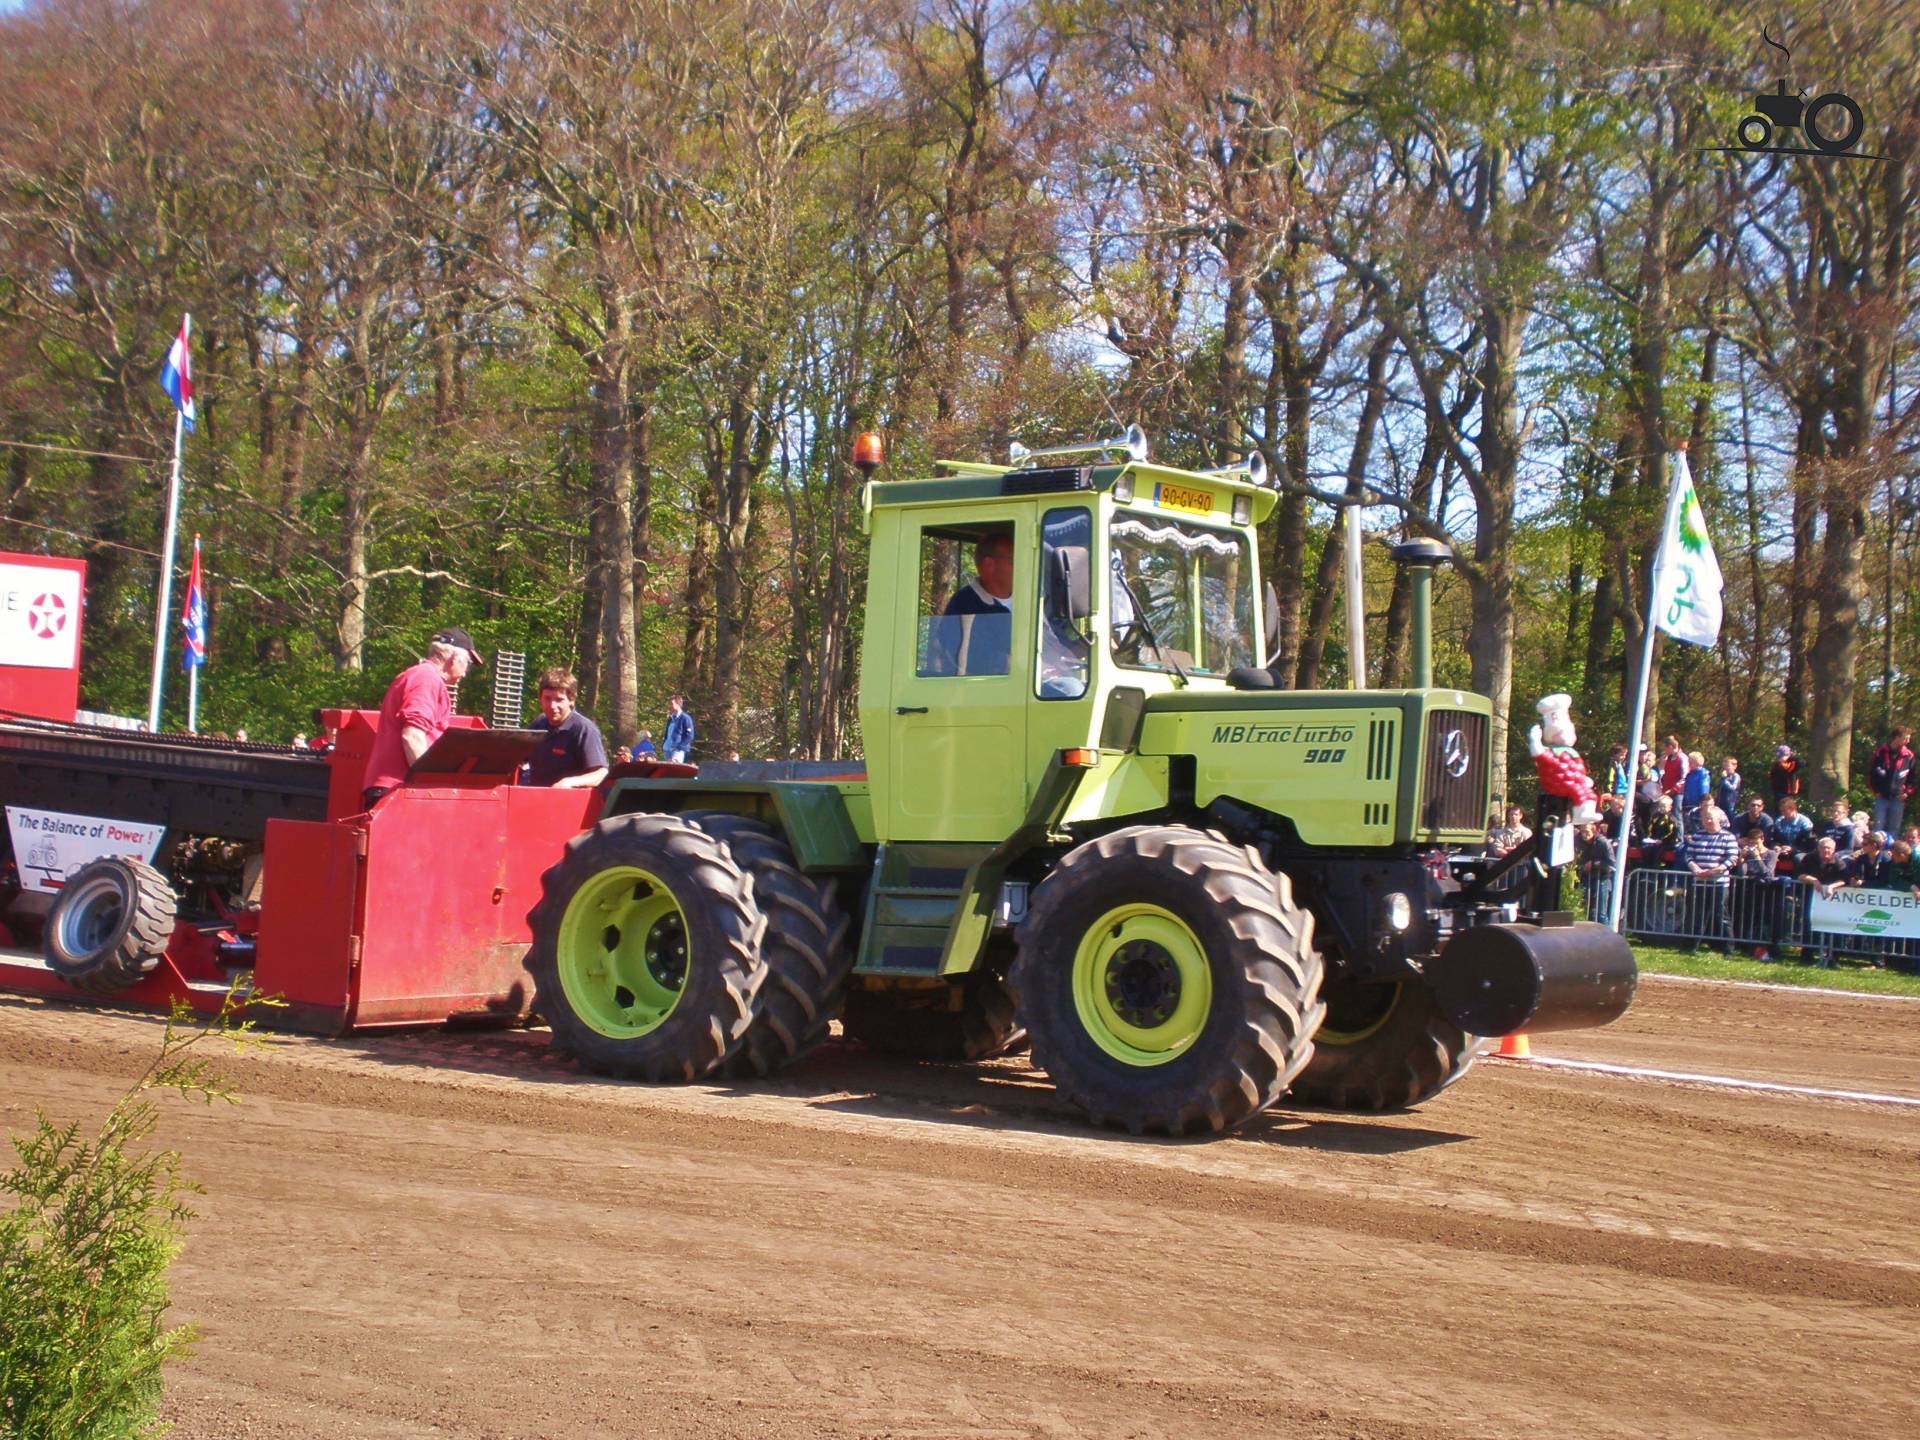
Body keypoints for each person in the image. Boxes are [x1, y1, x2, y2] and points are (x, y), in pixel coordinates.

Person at [360, 626, 483, 809]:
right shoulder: (426, 678)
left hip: (396, 789)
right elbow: (412, 736)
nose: (466, 672)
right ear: (455, 657)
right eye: (468, 662)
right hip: (398, 790)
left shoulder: (421, 675)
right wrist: (426, 789)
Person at [930, 531, 1014, 676]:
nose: (1024, 566)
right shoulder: (965, 604)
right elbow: (973, 659)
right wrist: (1031, 664)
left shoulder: (1031, 599)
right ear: (989, 564)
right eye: (1013, 560)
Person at [520, 667, 608, 790]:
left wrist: (568, 782)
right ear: (540, 699)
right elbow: (518, 759)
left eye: (559, 700)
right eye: (547, 698)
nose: (552, 706)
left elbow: (600, 773)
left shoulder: (584, 729)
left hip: (571, 804)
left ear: (571, 701)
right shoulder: (538, 724)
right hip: (537, 799)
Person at [1681, 805, 1737, 952]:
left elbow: (1732, 858)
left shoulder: (1728, 837)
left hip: (1719, 882)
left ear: (1718, 819)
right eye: (1705, 818)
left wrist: (1716, 870)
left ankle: (1728, 949)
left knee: (1721, 916)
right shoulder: (1698, 836)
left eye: (1710, 818)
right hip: (1700, 881)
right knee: (1698, 915)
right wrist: (1696, 869)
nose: (1707, 821)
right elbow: (1688, 855)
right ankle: (1692, 947)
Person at [1733, 828, 1783, 959]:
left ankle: (1766, 948)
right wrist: (1742, 859)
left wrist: (1757, 857)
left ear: (1762, 840)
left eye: (1756, 842)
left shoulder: (1771, 854)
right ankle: (1748, 947)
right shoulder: (1747, 853)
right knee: (1747, 919)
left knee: (1764, 921)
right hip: (1749, 889)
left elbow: (1768, 874)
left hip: (1766, 891)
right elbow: (1740, 873)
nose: (1753, 846)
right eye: (1751, 843)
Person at [1868, 726, 1915, 838]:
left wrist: (1907, 793)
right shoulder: (1880, 752)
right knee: (1878, 826)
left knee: (1894, 828)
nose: (1908, 741)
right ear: (1896, 738)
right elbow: (1872, 774)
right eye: (1905, 738)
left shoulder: (1909, 756)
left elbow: (1913, 777)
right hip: (1882, 797)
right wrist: (1875, 791)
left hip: (1898, 798)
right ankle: (1876, 852)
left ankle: (1891, 854)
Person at [1576, 820, 1614, 921]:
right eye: (1582, 831)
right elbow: (1576, 859)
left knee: (1601, 913)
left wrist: (1594, 864)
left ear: (1594, 830)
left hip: (1602, 879)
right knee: (1584, 911)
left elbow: (1611, 864)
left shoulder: (1603, 842)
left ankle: (1605, 935)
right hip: (1585, 878)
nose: (1584, 835)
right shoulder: (1578, 840)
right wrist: (1581, 866)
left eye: (1587, 832)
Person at [663, 694, 695, 763]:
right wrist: (664, 744)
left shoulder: (686, 718)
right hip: (667, 749)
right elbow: (667, 733)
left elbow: (690, 736)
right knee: (667, 771)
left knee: (675, 769)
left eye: (671, 704)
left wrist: (679, 747)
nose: (669, 706)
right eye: (669, 704)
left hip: (678, 751)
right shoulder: (670, 719)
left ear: (678, 704)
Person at [1681, 750, 1711, 818]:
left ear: (1695, 762)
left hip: (1697, 806)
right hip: (1688, 805)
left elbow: (1703, 791)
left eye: (1690, 762)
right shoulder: (1690, 775)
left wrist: (1702, 804)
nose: (1689, 764)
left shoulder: (1703, 774)